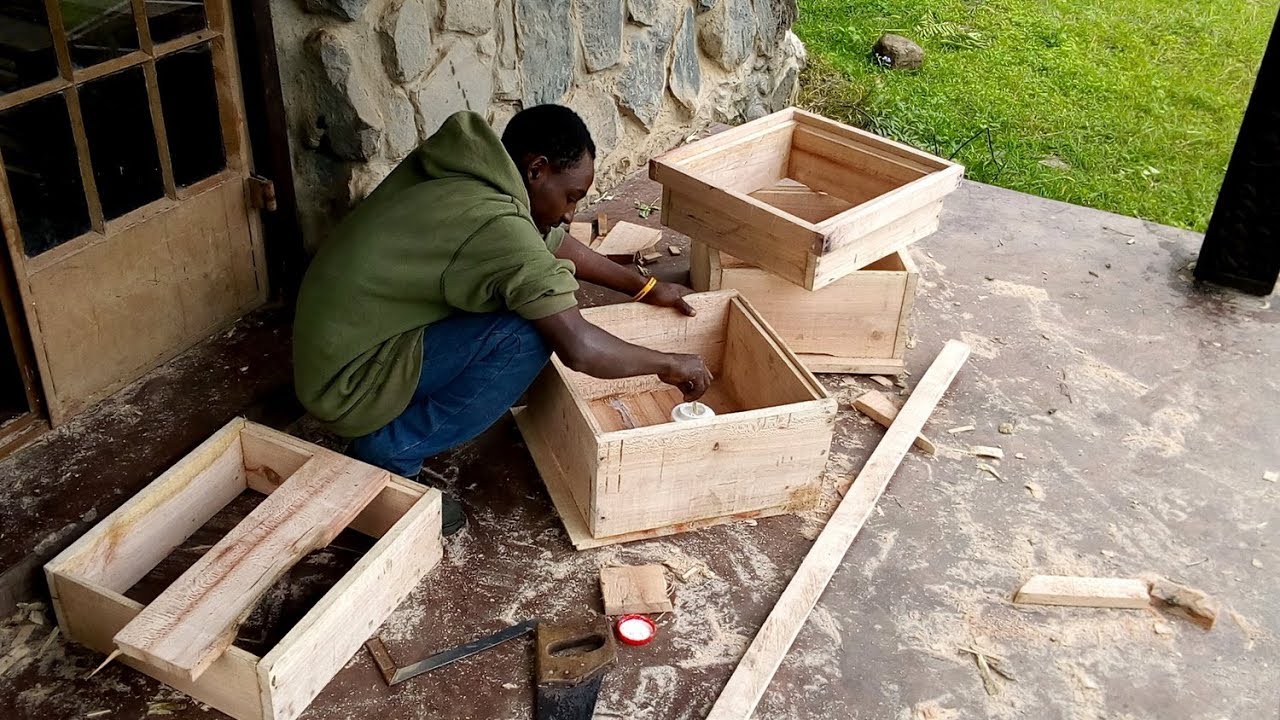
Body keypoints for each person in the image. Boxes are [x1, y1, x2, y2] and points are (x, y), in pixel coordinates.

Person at [292, 105, 712, 534]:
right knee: (529, 334)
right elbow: (580, 348)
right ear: (537, 170)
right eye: (570, 197)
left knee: (523, 300)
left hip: (335, 344)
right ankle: (391, 452)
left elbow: (552, 243)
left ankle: (391, 432)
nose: (570, 213)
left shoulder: (474, 168)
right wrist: (670, 364)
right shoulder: (497, 225)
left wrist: (644, 287)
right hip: (347, 382)